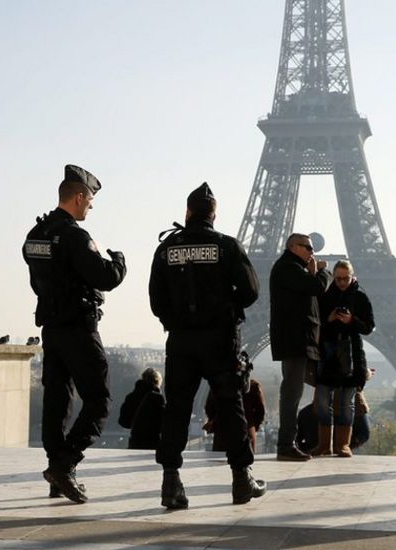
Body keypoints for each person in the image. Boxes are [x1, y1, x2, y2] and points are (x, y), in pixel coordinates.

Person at [150, 182, 265, 509]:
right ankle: (241, 478)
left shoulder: (167, 249)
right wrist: (225, 304)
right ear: (213, 215)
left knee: (176, 409)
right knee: (231, 406)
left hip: (182, 341)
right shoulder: (226, 247)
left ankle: (170, 481)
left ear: (187, 213)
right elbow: (251, 291)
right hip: (220, 339)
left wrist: (175, 321)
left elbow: (156, 299)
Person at [22, 164, 127, 504]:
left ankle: (56, 471)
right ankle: (66, 464)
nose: (91, 206)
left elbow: (37, 280)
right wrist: (119, 262)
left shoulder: (35, 234)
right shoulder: (76, 237)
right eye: (91, 199)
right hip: (79, 327)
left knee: (56, 400)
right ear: (79, 196)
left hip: (51, 327)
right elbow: (105, 277)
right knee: (98, 400)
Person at [269, 233, 330, 461]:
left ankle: (288, 443)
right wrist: (322, 271)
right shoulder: (288, 268)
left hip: (297, 339)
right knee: (292, 393)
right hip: (295, 340)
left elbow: (308, 291)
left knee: (293, 392)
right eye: (308, 248)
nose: (312, 253)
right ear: (294, 247)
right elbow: (316, 287)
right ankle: (286, 444)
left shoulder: (292, 268)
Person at [314, 260, 374, 457]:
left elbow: (369, 327)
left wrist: (351, 321)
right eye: (338, 278)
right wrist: (329, 319)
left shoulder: (360, 298)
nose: (341, 282)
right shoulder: (324, 297)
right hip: (328, 351)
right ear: (333, 276)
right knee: (323, 400)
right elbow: (315, 323)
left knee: (347, 402)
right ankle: (325, 445)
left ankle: (342, 445)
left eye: (345, 279)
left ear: (352, 276)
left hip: (351, 354)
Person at [205, 378, 266, 453]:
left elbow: (209, 408)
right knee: (246, 460)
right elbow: (260, 411)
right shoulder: (254, 387)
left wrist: (215, 422)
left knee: (219, 461)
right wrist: (253, 426)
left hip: (222, 433)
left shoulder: (218, 385)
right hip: (247, 432)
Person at [120, 368, 164, 449]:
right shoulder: (157, 398)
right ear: (157, 382)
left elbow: (123, 421)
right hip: (153, 442)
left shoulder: (131, 397)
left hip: (135, 441)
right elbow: (163, 424)